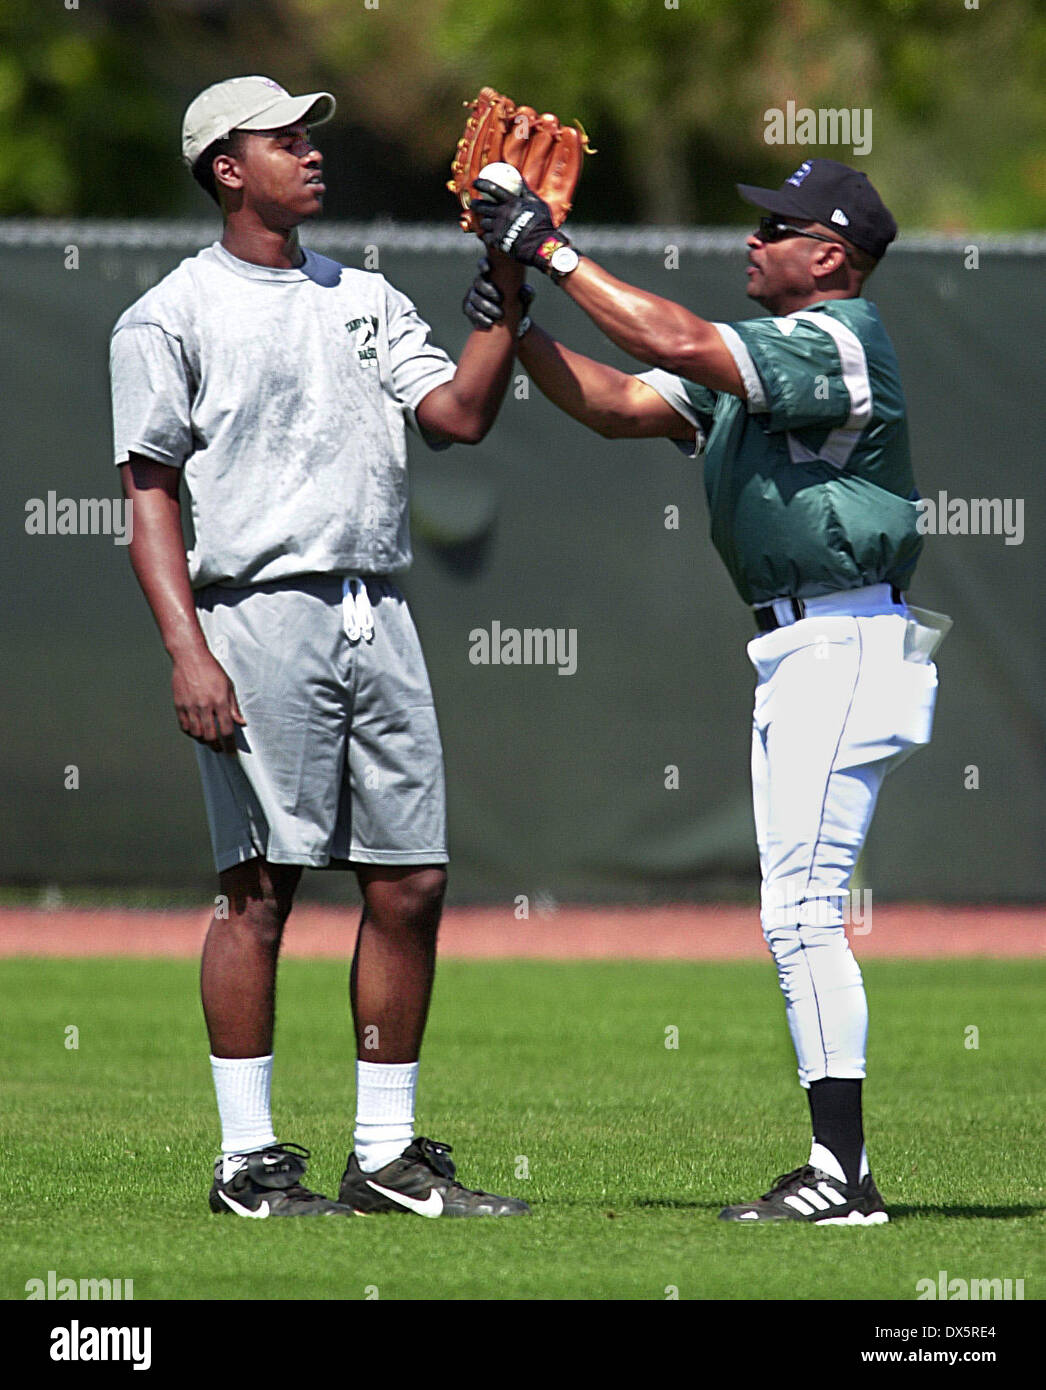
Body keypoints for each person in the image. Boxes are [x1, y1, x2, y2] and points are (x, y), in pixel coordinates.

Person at [467, 157, 944, 1224]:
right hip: (800, 648)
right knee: (795, 910)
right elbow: (621, 402)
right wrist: (521, 318)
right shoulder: (765, 358)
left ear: (828, 257)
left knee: (802, 912)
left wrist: (549, 247)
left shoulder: (833, 341)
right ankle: (837, 1170)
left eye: (775, 227)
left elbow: (673, 341)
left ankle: (841, 1177)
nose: (752, 240)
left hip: (843, 639)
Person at [111, 76, 530, 1218]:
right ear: (226, 169)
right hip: (254, 613)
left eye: (311, 138)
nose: (310, 153)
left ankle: (384, 1159)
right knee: (257, 893)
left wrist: (508, 281)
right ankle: (246, 1164)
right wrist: (187, 653)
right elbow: (148, 498)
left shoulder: (367, 296)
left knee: (411, 882)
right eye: (282, 140)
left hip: (376, 613)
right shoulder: (170, 312)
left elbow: (456, 419)